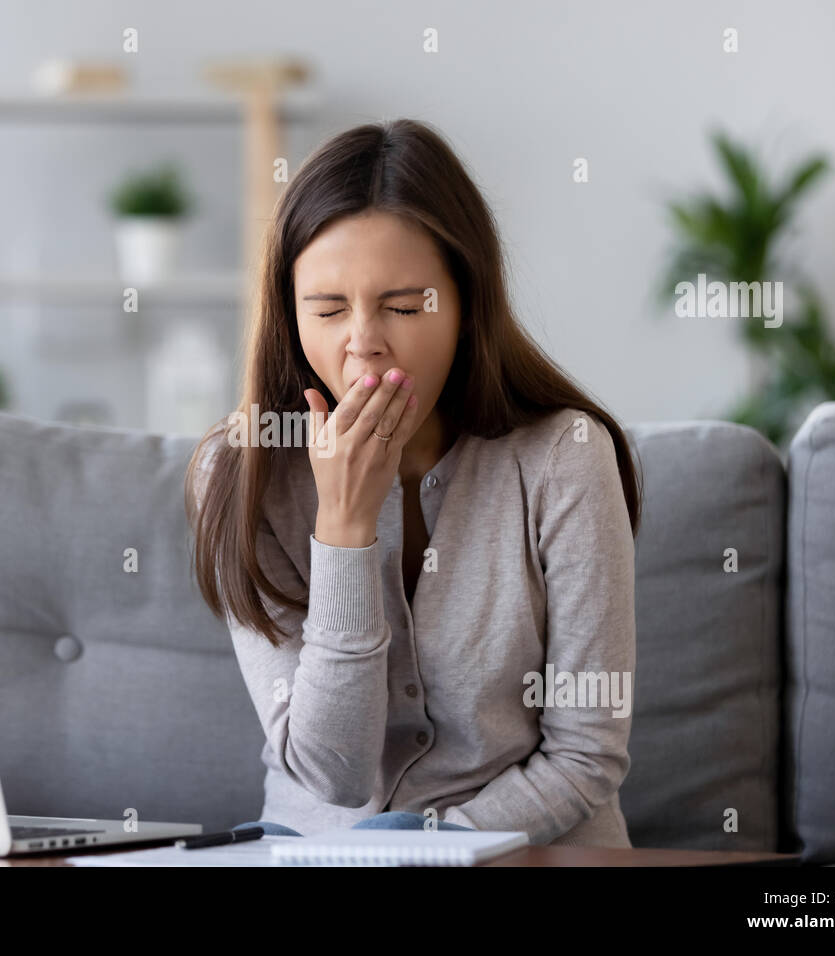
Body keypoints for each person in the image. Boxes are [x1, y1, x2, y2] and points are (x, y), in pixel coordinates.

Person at [186, 118, 641, 844]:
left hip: (522, 853)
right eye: (328, 310)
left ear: (466, 305)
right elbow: (332, 774)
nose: (363, 340)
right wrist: (343, 530)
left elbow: (586, 756)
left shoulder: (565, 457)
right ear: (289, 314)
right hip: (321, 853)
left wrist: (422, 853)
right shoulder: (242, 476)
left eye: (403, 308)